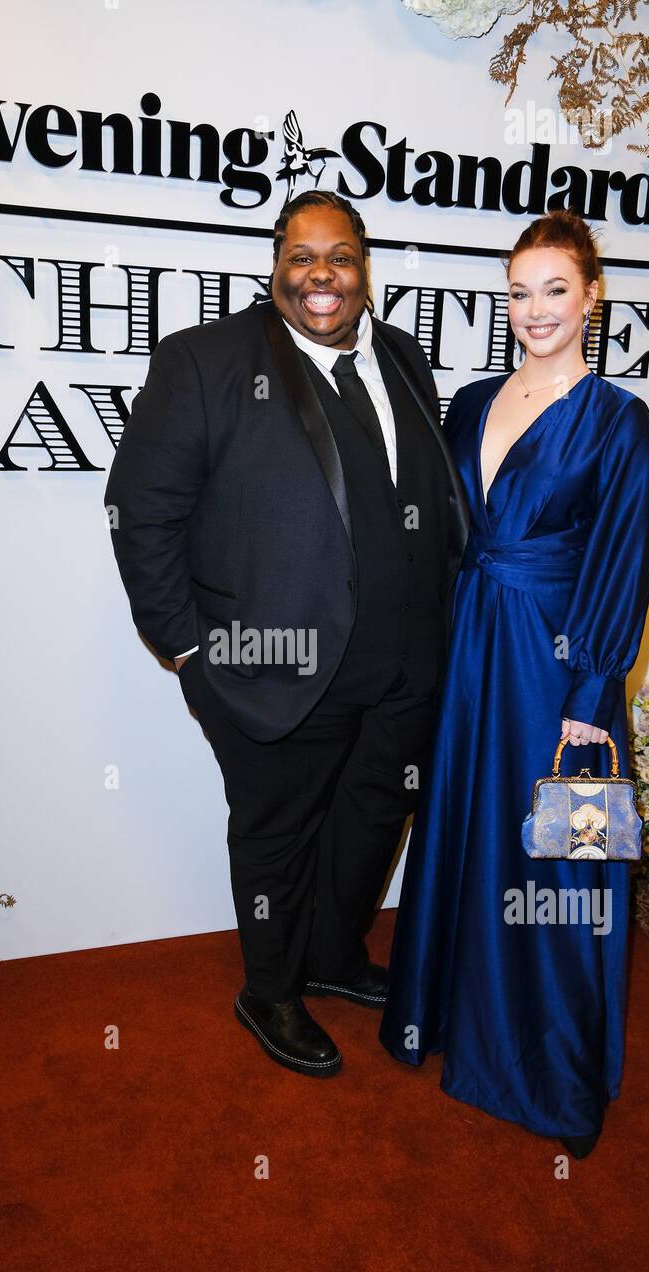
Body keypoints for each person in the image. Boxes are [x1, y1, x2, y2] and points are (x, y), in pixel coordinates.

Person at [104, 191, 469, 1077]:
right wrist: (185, 647)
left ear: (363, 266)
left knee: (370, 821)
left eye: (339, 256)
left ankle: (333, 956)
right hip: (273, 667)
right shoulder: (208, 360)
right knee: (278, 831)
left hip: (405, 664)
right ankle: (268, 989)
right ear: (276, 265)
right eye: (302, 256)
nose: (321, 276)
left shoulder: (404, 358)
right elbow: (141, 510)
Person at [379, 208, 649, 1158]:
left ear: (592, 296)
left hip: (563, 670)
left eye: (554, 289)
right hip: (473, 657)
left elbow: (623, 563)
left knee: (563, 864)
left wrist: (590, 702)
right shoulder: (468, 402)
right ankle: (449, 1019)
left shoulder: (621, 421)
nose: (534, 310)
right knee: (467, 831)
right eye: (517, 291)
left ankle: (548, 1065)